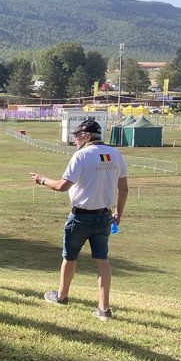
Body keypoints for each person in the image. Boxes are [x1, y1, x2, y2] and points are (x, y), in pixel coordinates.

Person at [30, 119, 128, 320]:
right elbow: (124, 189)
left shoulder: (81, 155)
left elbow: (61, 186)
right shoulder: (116, 155)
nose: (74, 140)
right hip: (104, 216)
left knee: (69, 257)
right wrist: (119, 213)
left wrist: (42, 180)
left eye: (77, 136)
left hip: (81, 217)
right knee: (102, 261)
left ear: (87, 136)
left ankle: (62, 296)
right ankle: (104, 308)